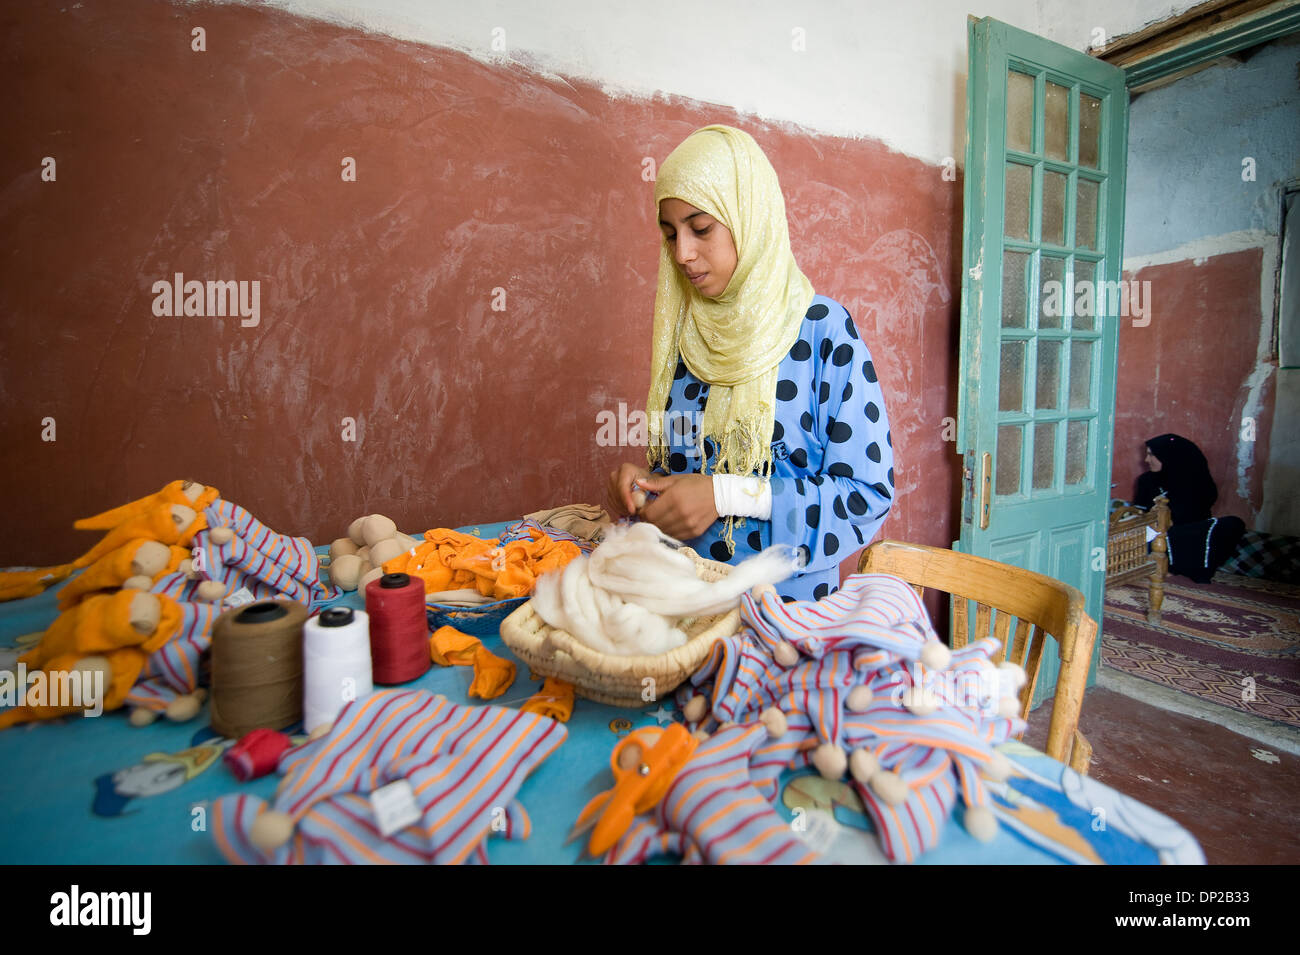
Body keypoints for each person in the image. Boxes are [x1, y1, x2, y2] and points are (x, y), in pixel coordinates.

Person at [606, 125, 894, 601]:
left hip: (785, 615)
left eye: (701, 229)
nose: (682, 253)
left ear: (750, 217)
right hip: (683, 602)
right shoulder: (687, 335)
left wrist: (726, 495)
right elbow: (686, 473)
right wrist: (643, 488)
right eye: (669, 234)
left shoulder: (823, 330)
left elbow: (865, 498)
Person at [1134, 433, 1244, 583]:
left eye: (1152, 455)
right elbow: (1140, 513)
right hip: (1157, 534)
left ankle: (1174, 565)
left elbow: (1194, 515)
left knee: (1233, 524)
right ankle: (1166, 564)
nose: (1146, 460)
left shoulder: (1198, 482)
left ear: (1169, 457)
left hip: (1189, 534)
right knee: (1153, 538)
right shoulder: (1146, 481)